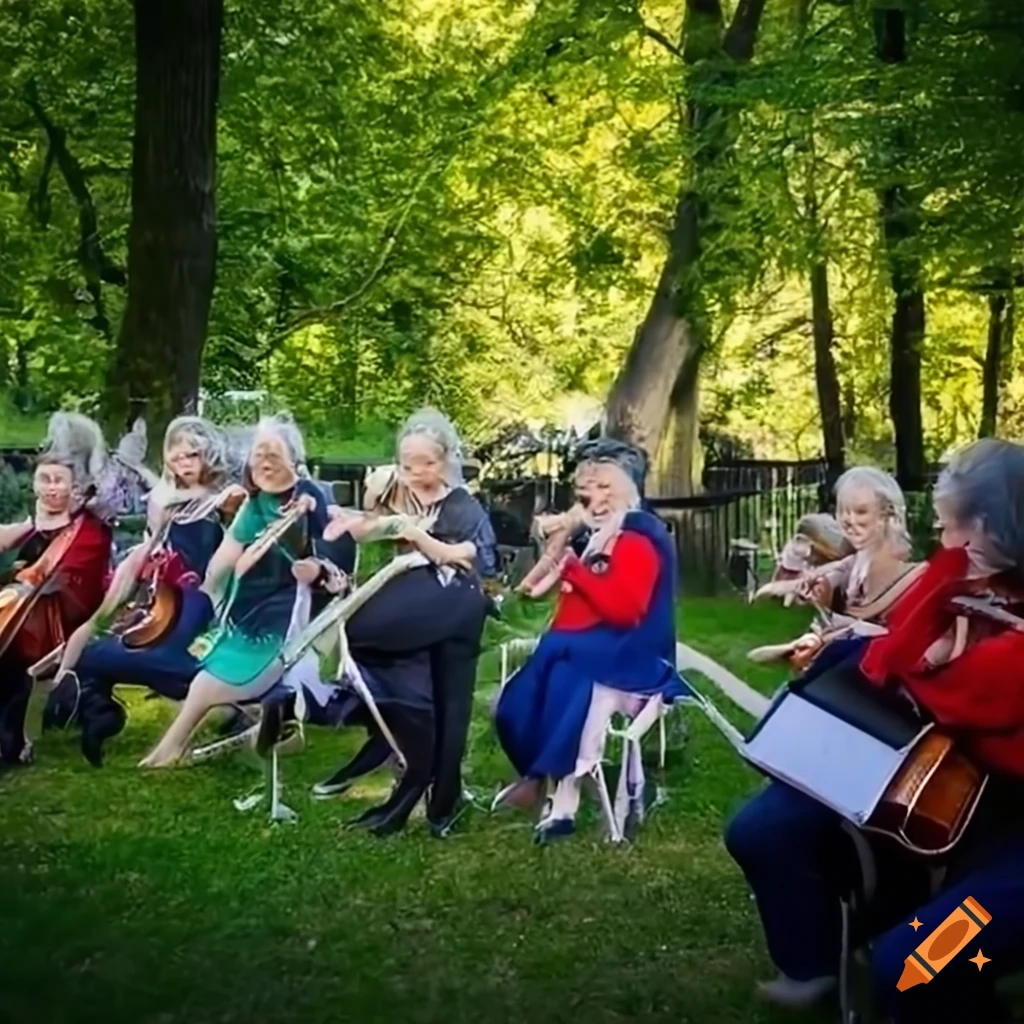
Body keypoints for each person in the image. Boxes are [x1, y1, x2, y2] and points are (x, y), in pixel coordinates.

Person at [725, 438, 1024, 1023]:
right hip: (953, 796)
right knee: (770, 832)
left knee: (917, 964)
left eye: (950, 529)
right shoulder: (961, 572)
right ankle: (838, 957)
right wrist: (947, 599)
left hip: (1006, 823)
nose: (943, 544)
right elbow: (887, 660)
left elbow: (965, 693)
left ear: (989, 525)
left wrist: (924, 662)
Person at [310, 407, 497, 837]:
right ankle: (413, 770)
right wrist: (365, 509)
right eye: (407, 463)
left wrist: (414, 534)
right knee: (366, 641)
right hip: (420, 602)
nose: (416, 472)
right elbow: (367, 530)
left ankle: (440, 801)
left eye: (427, 463)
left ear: (446, 460)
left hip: (459, 600)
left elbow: (465, 559)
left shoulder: (461, 504)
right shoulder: (399, 491)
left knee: (452, 705)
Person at [493, 438, 691, 844]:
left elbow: (625, 611)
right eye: (587, 488)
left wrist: (575, 574)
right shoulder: (600, 536)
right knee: (533, 687)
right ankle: (537, 777)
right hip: (596, 645)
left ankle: (559, 801)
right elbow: (547, 592)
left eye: (606, 487)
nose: (595, 498)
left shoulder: (638, 537)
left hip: (633, 655)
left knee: (570, 681)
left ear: (631, 489)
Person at [136, 413, 355, 768]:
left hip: (283, 618)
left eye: (274, 455)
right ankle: (176, 746)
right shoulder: (254, 505)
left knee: (210, 685)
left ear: (292, 459)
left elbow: (328, 546)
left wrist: (317, 560)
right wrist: (209, 593)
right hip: (247, 613)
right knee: (204, 680)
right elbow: (225, 557)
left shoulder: (307, 494)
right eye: (258, 456)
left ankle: (171, 749)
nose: (265, 464)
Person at [42, 416, 243, 766]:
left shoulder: (222, 499)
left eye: (192, 456)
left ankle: (232, 701)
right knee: (91, 652)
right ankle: (100, 713)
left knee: (162, 658)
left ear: (208, 455)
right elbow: (152, 541)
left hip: (201, 604)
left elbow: (231, 505)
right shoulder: (165, 502)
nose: (183, 464)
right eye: (176, 457)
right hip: (160, 600)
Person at [0, 412, 113, 768]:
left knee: (13, 645)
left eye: (59, 481)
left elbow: (69, 587)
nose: (51, 488)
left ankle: (13, 739)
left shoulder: (90, 532)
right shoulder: (40, 521)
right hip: (27, 610)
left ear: (77, 485)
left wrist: (22, 583)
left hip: (62, 621)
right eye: (43, 480)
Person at [749, 466, 922, 671]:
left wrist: (828, 640)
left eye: (860, 511)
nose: (849, 521)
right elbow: (814, 583)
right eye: (843, 511)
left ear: (888, 515)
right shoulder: (851, 565)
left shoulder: (915, 577)